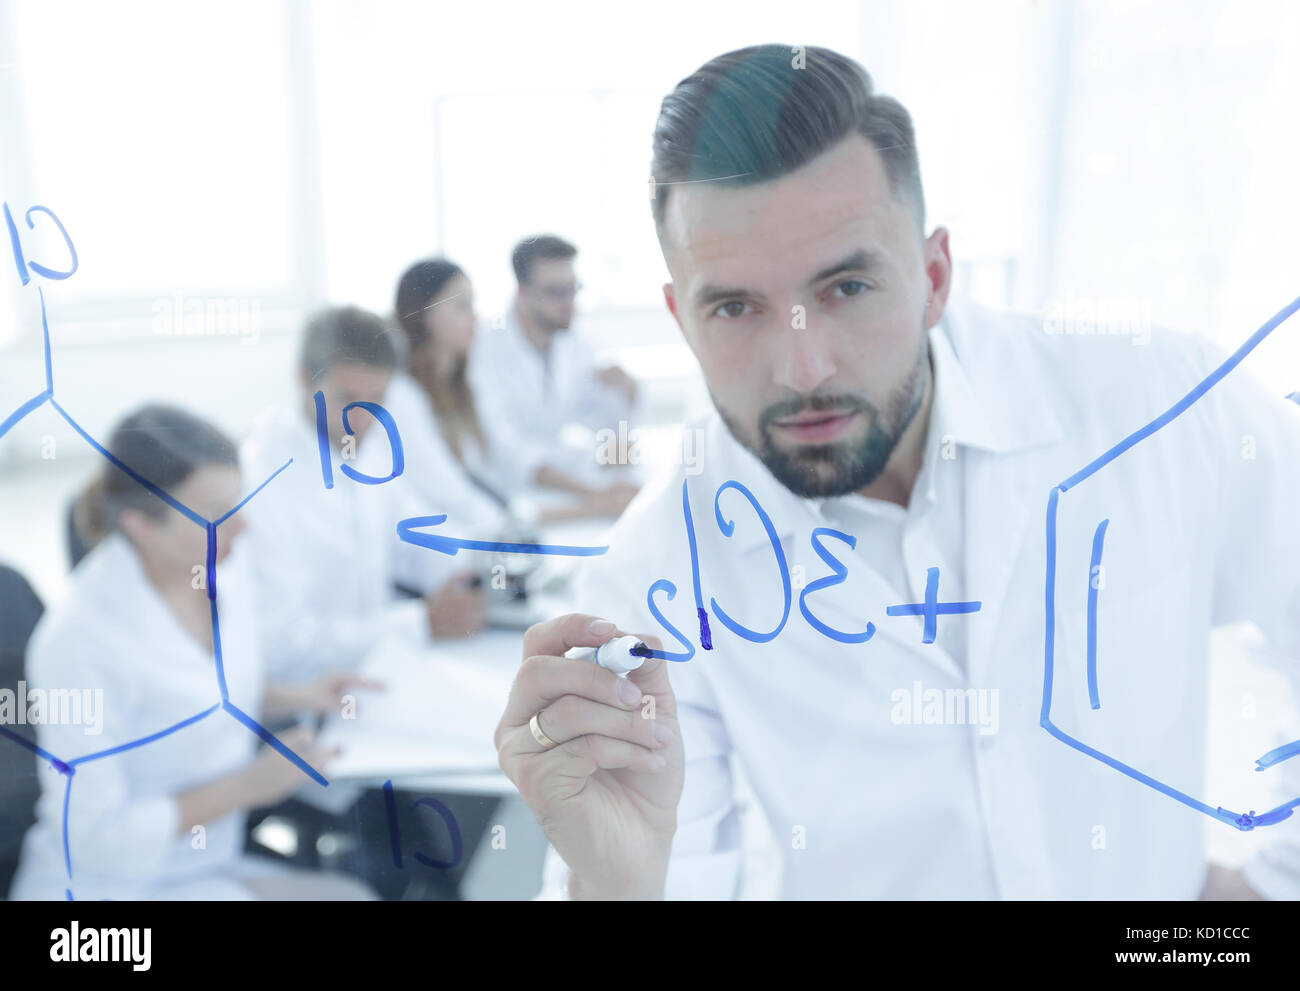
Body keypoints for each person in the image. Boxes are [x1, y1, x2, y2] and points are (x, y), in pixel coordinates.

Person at [493, 44, 1300, 900]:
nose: (801, 369)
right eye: (735, 307)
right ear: (681, 319)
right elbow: (660, 868)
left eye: (845, 287)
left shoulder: (1161, 406)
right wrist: (619, 883)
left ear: (934, 275)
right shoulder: (655, 572)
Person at [10, 405, 375, 899]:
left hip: (205, 868)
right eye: (216, 513)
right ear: (141, 526)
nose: (243, 526)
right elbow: (95, 838)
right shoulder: (79, 642)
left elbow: (201, 692)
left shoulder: (219, 565)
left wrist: (301, 695)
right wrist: (253, 785)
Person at [240, 305, 485, 686]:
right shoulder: (260, 483)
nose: (364, 418)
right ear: (305, 380)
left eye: (378, 399)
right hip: (311, 706)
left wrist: (480, 564)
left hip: (383, 673)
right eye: (347, 400)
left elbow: (413, 533)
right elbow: (281, 647)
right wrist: (421, 623)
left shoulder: (363, 446)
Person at [391, 257, 638, 523]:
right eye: (462, 307)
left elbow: (496, 476)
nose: (475, 317)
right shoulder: (405, 398)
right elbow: (466, 503)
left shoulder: (462, 387)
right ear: (424, 316)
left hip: (513, 508)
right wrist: (590, 505)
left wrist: (594, 484)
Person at [466, 237, 640, 507]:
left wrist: (627, 390)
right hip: (508, 494)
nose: (569, 302)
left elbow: (606, 425)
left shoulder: (574, 343)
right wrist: (589, 493)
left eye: (573, 289)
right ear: (522, 293)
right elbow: (504, 450)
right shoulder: (484, 348)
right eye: (556, 292)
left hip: (561, 483)